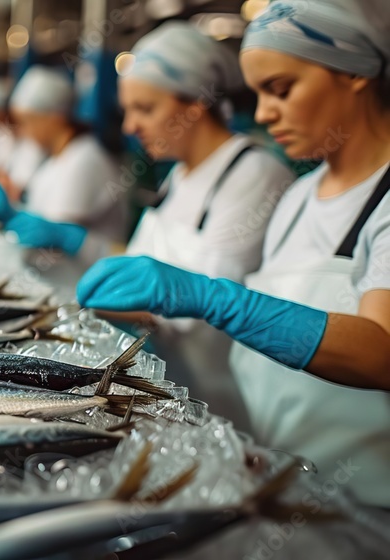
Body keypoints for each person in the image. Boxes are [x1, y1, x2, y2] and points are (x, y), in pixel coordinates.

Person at [77, 0, 390, 507]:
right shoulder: (298, 198)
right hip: (289, 482)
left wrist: (216, 299)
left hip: (372, 503)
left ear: (356, 72)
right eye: (259, 93)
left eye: (281, 89)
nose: (262, 114)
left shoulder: (370, 196)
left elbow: (382, 351)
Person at [115, 22, 295, 425]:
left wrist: (100, 303)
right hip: (164, 396)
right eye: (127, 110)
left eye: (145, 109)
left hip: (219, 408)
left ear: (196, 104)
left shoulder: (253, 174)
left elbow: (203, 311)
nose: (130, 126)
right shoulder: (178, 175)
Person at [0, 66, 125, 264]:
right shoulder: (55, 157)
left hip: (81, 274)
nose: (24, 131)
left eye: (27, 121)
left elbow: (56, 230)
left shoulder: (86, 160)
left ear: (54, 118)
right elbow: (40, 216)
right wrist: (10, 213)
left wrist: (14, 215)